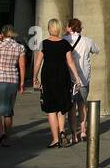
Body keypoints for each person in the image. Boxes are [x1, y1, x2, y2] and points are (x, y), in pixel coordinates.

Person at [34, 19, 82, 148]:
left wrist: (34, 77)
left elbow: (38, 63)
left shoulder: (43, 44)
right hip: (63, 76)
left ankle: (55, 139)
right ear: (59, 28)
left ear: (49, 28)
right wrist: (77, 77)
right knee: (62, 106)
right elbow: (70, 62)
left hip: (48, 77)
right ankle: (62, 131)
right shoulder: (65, 44)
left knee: (51, 109)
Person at [65, 18, 99, 143]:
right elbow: (96, 50)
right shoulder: (87, 41)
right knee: (82, 105)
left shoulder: (64, 40)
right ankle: (83, 131)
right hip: (84, 79)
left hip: (69, 79)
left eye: (66, 26)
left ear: (69, 27)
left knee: (71, 108)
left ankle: (74, 134)